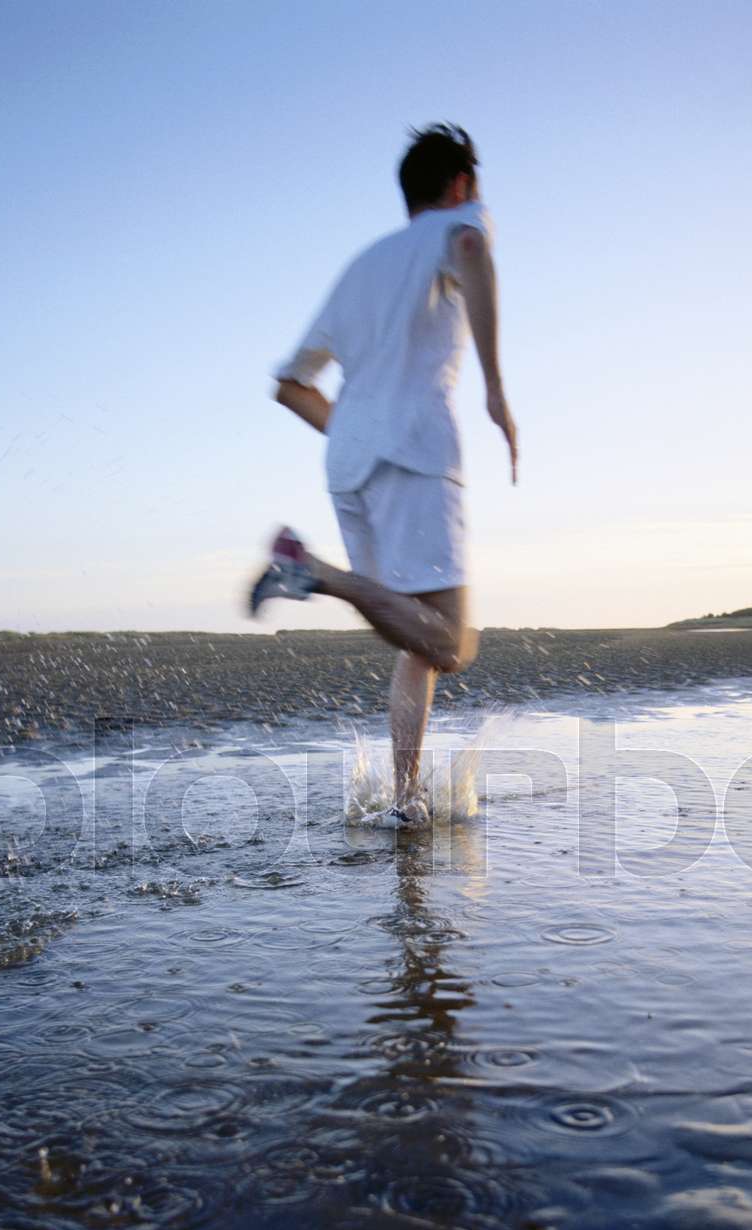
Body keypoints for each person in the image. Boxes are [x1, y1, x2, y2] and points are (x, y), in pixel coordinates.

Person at [248, 122, 517, 829]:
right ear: (459, 184)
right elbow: (471, 252)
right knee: (452, 645)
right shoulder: (460, 223)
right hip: (417, 452)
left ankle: (405, 800)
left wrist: (360, 431)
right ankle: (313, 573)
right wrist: (493, 387)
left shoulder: (360, 267)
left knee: (414, 640)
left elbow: (290, 386)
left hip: (350, 462)